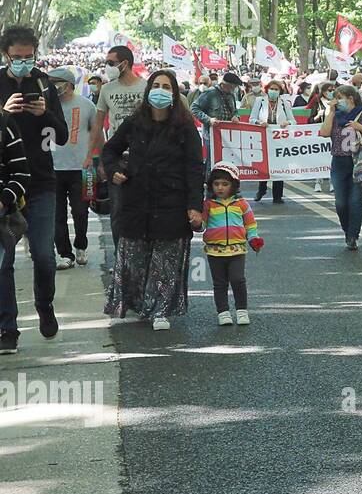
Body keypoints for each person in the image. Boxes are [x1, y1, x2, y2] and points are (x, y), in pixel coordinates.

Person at [101, 69, 204, 332]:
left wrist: (195, 206)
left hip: (172, 201)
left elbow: (194, 167)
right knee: (135, 257)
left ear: (174, 93)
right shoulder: (135, 122)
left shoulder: (185, 127)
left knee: (166, 260)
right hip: (137, 201)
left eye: (166, 87)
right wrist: (114, 172)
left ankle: (161, 309)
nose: (161, 90)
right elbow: (110, 149)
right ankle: (138, 303)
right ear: (148, 91)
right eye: (156, 85)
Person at [0, 26, 68, 343]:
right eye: (17, 57)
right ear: (5, 55)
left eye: (29, 57)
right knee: (5, 262)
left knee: (43, 255)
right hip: (5, 187)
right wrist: (3, 113)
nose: (24, 63)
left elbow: (63, 136)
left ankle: (45, 304)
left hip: (41, 183)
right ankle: (8, 328)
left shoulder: (43, 83)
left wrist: (46, 114)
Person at [84, 44, 146, 243]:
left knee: (143, 208)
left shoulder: (146, 87)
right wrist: (93, 157)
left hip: (143, 156)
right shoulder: (107, 89)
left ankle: (141, 254)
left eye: (110, 62)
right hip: (116, 157)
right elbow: (98, 125)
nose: (107, 66)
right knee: (117, 211)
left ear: (124, 63)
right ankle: (121, 259)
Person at [317, 83, 362, 250]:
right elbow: (323, 132)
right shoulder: (335, 115)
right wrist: (330, 112)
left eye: (339, 98)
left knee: (355, 201)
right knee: (341, 203)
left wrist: (358, 126)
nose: (336, 101)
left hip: (359, 161)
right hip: (339, 162)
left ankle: (353, 236)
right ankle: (346, 230)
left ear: (350, 99)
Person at [202, 162, 262, 326]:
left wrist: (253, 238)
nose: (220, 188)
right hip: (215, 251)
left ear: (234, 185)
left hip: (237, 250)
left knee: (238, 279)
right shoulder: (208, 205)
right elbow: (202, 226)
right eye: (216, 184)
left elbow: (250, 224)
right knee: (219, 283)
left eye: (225, 184)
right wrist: (195, 222)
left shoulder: (242, 204)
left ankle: (242, 310)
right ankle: (223, 312)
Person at [49, 67, 94, 269]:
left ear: (68, 85)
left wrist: (94, 158)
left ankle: (81, 246)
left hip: (82, 168)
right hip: (52, 168)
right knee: (57, 214)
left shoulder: (86, 105)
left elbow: (96, 133)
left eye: (56, 82)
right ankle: (65, 254)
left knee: (81, 211)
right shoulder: (46, 106)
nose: (53, 87)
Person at [0, 101, 29, 354]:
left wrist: (3, 200)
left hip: (2, 217)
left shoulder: (5, 125)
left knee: (2, 269)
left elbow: (21, 174)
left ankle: (8, 328)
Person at [250, 78, 293, 203]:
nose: (273, 91)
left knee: (279, 165)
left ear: (280, 91)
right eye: (271, 89)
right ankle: (261, 189)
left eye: (276, 89)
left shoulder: (285, 103)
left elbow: (293, 120)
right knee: (264, 164)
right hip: (264, 136)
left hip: (279, 138)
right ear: (267, 90)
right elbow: (251, 119)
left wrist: (287, 122)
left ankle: (278, 195)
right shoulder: (260, 101)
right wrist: (259, 122)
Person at [190, 72, 241, 164]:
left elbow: (235, 111)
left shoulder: (231, 95)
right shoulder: (210, 93)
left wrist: (236, 116)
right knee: (212, 161)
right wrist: (208, 119)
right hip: (211, 134)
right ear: (226, 85)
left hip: (227, 136)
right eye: (234, 87)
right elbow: (194, 108)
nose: (235, 89)